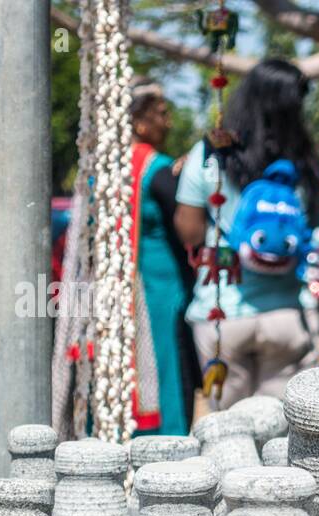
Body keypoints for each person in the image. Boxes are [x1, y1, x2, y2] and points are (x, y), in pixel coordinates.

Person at [174, 59, 319, 409]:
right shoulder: (303, 163)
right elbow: (309, 227)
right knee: (278, 434)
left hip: (223, 314)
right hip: (288, 316)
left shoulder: (212, 153)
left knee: (226, 434)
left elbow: (190, 231)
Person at [129, 79, 195, 435]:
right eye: (162, 114)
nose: (168, 123)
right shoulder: (159, 171)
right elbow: (191, 228)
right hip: (159, 290)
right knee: (166, 363)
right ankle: (169, 440)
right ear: (140, 122)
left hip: (118, 288)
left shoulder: (105, 169)